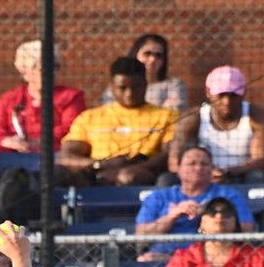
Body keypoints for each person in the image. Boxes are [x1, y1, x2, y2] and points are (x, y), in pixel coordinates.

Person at [58, 57, 178, 188]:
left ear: (145, 84)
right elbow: (67, 156)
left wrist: (130, 169)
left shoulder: (167, 116)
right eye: (122, 88)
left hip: (140, 174)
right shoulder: (89, 117)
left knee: (128, 176)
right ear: (111, 86)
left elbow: (169, 154)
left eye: (136, 87)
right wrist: (100, 165)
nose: (129, 93)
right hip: (95, 174)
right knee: (58, 173)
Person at [165, 66, 264, 185]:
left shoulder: (259, 118)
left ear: (244, 92)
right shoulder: (191, 119)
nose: (227, 101)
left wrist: (228, 172)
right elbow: (174, 161)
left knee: (259, 176)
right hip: (200, 177)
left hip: (242, 176)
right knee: (168, 179)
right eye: (221, 95)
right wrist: (203, 172)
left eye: (233, 95)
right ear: (208, 92)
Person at [134, 146, 253, 258]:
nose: (198, 168)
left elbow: (247, 230)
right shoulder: (158, 197)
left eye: (204, 164)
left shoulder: (229, 195)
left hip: (210, 258)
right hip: (166, 256)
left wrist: (207, 213)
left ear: (212, 168)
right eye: (192, 164)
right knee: (145, 259)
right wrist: (172, 216)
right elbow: (141, 236)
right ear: (179, 169)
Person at [0, 40, 85, 156]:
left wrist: (39, 141)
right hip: (15, 153)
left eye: (55, 68)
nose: (52, 73)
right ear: (25, 72)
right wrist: (8, 141)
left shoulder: (71, 97)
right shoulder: (9, 99)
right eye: (42, 69)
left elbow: (71, 129)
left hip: (54, 153)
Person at [102, 33, 187, 112]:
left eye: (158, 56)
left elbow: (174, 114)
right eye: (147, 54)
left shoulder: (173, 85)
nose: (153, 59)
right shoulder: (118, 87)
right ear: (136, 54)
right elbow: (110, 114)